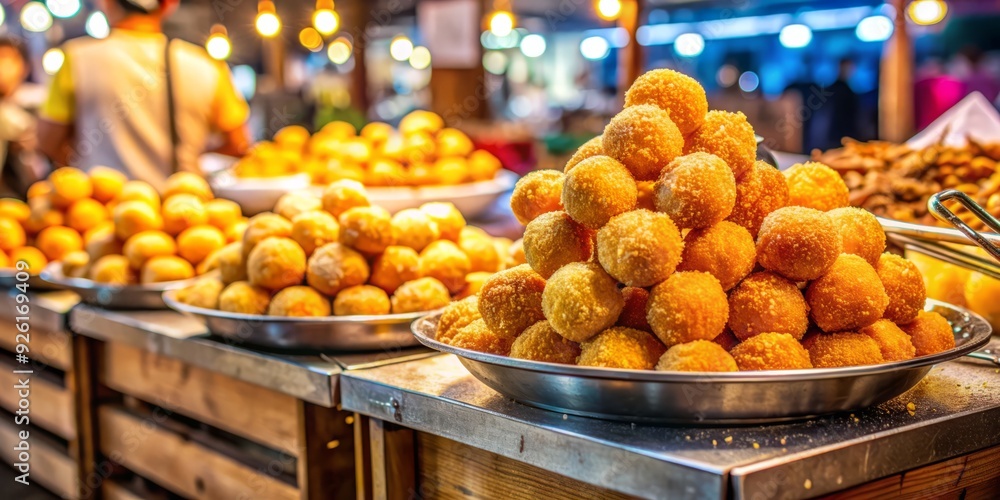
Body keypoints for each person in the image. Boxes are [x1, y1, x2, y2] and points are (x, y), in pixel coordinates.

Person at [37, 0, 250, 189]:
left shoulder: (76, 58)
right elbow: (239, 144)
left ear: (106, 3)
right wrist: (193, 157)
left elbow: (48, 141)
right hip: (181, 212)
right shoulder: (206, 65)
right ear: (169, 4)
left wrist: (85, 168)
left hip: (103, 213)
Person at [0, 37, 42, 197]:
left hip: (34, 193)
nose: (3, 67)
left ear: (24, 66)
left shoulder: (38, 101)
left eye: (7, 58)